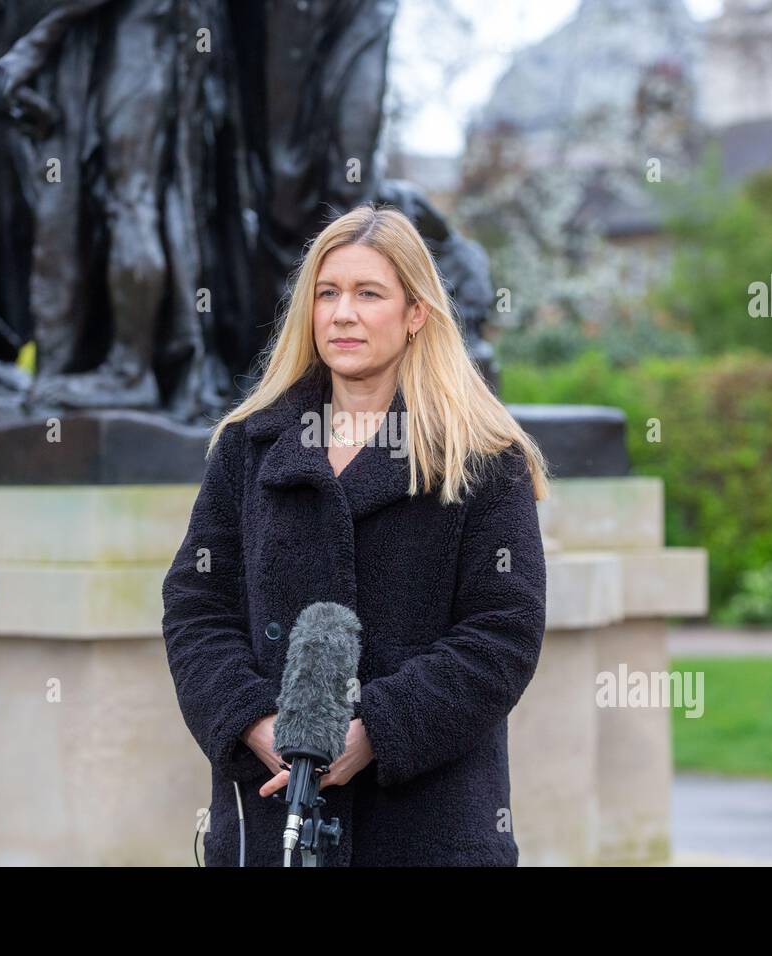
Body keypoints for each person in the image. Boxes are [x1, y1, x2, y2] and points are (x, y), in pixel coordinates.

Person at [161, 204, 549, 866]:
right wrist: (256, 722)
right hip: (267, 822)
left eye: (369, 294)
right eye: (327, 293)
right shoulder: (248, 448)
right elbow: (197, 608)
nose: (343, 313)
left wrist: (379, 732)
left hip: (427, 830)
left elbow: (502, 634)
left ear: (415, 313)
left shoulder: (482, 456)